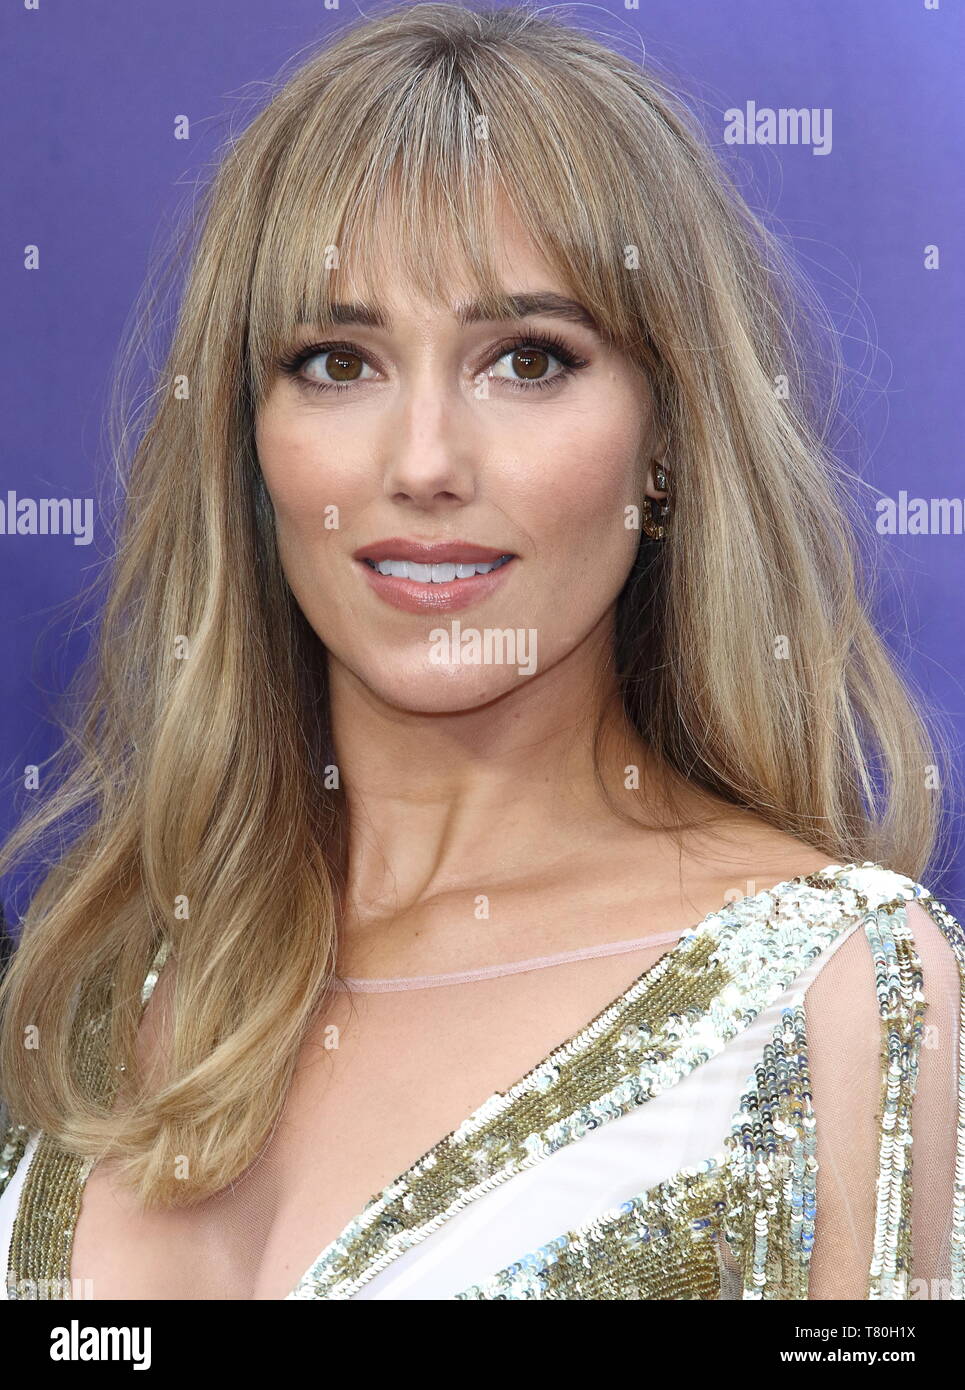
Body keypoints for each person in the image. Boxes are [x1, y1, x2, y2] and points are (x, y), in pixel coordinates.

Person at [0, 1, 961, 1302]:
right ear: (247, 439)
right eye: (338, 360)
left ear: (667, 436)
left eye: (525, 357)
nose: (423, 463)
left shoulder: (833, 990)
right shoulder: (89, 984)